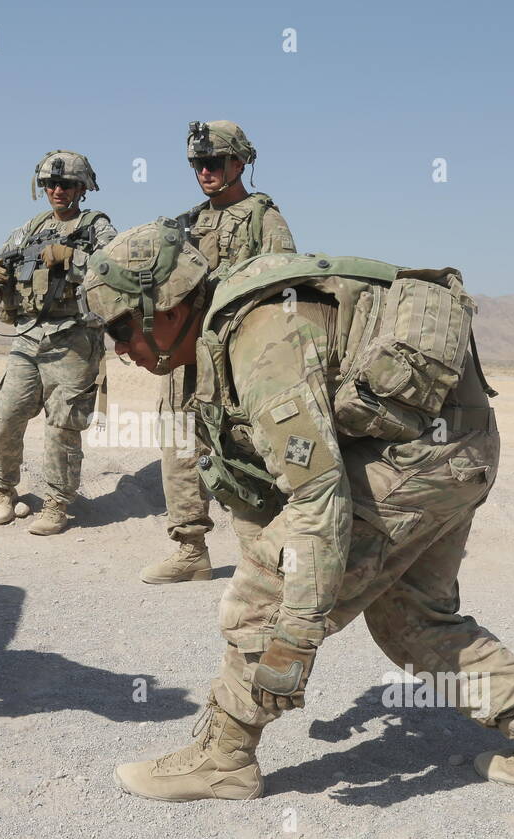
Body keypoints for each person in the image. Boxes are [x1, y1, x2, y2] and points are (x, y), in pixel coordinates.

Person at [84, 221, 514, 801]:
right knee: (412, 619)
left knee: (262, 595)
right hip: (456, 451)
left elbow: (318, 496)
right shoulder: (236, 314)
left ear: (162, 308)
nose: (118, 349)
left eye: (120, 328)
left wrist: (294, 631)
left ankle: (223, 760)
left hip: (418, 461)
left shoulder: (264, 340)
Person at [143, 121, 295, 585]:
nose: (205, 172)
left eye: (214, 162)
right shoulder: (185, 224)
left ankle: (260, 554)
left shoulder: (263, 217)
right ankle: (190, 550)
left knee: (240, 450)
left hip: (234, 357)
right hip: (184, 355)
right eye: (198, 164)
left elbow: (283, 281)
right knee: (179, 446)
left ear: (240, 163)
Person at [0, 150, 117, 535]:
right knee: (8, 413)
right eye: (50, 184)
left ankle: (58, 503)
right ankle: (1, 490)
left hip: (74, 338)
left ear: (82, 188)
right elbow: (6, 262)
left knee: (63, 423)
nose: (58, 190)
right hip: (28, 336)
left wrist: (73, 257)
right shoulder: (31, 227)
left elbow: (115, 270)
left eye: (66, 184)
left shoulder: (98, 227)